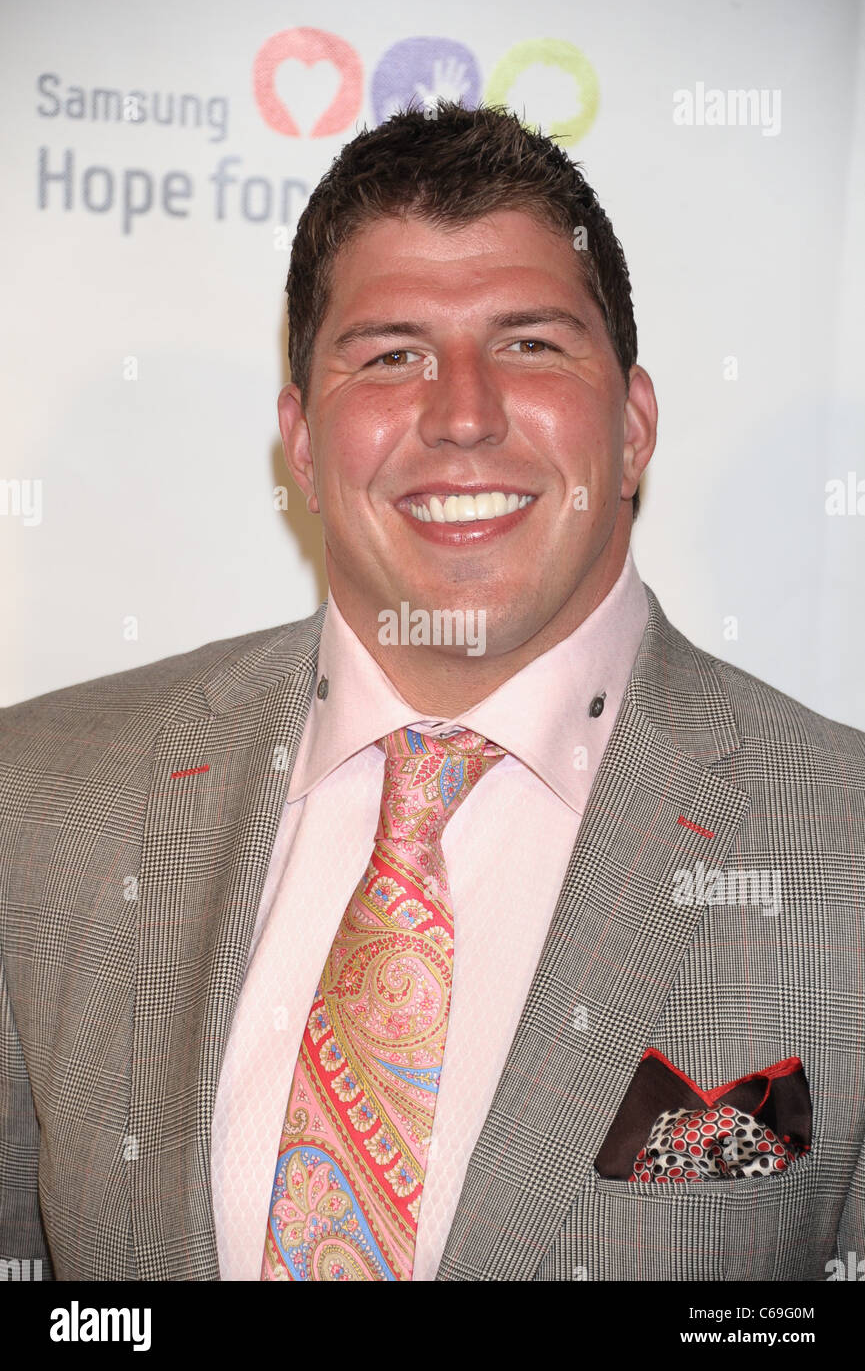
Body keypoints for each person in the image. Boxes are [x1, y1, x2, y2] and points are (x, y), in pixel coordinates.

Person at [1, 101, 863, 1283]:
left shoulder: (843, 847)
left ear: (634, 425)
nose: (462, 413)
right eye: (391, 352)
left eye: (530, 343)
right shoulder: (36, 805)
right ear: (301, 444)